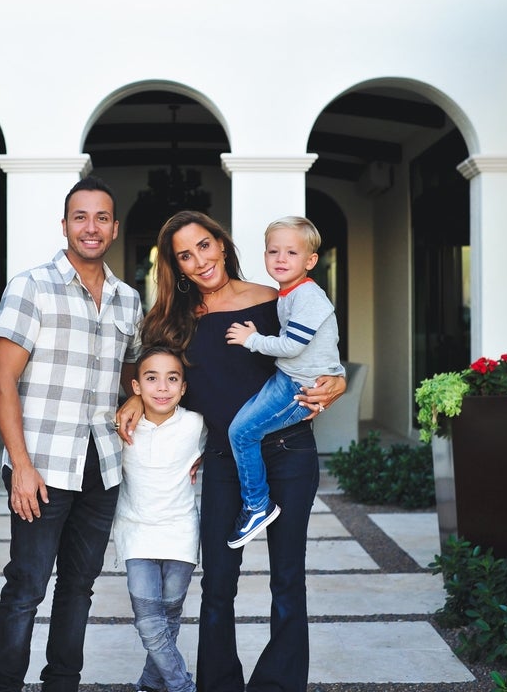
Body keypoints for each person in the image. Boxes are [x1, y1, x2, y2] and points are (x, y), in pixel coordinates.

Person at [115, 210, 346, 692]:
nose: (199, 260)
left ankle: (278, 686)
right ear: (176, 267)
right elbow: (150, 373)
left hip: (287, 453)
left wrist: (337, 382)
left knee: (287, 579)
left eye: (204, 245)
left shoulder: (275, 301)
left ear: (221, 244)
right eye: (185, 255)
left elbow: (318, 353)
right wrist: (135, 398)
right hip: (224, 459)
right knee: (218, 583)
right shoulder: (171, 320)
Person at [0, 176, 143, 692]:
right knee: (27, 586)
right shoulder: (31, 286)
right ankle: (4, 684)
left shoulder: (127, 300)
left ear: (114, 228)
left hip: (103, 464)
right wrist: (20, 467)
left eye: (101, 218)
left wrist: (137, 397)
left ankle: (62, 684)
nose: (91, 227)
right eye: (81, 217)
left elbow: (129, 373)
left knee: (79, 587)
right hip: (43, 466)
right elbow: (2, 380)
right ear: (65, 225)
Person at [224, 217, 345, 548]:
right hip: (288, 376)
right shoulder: (289, 293)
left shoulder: (308, 296)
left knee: (242, 432)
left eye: (291, 252)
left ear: (310, 261)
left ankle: (257, 505)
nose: (280, 258)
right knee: (241, 427)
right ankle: (257, 503)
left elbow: (292, 346)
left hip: (299, 386)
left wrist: (251, 340)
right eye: (273, 251)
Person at [113, 346, 206, 692]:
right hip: (136, 532)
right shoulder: (122, 426)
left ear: (183, 387)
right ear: (136, 387)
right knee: (149, 622)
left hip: (180, 533)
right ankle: (182, 686)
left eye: (172, 379)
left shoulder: (196, 424)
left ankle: (151, 684)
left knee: (169, 615)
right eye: (152, 378)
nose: (163, 387)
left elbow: (224, 448)